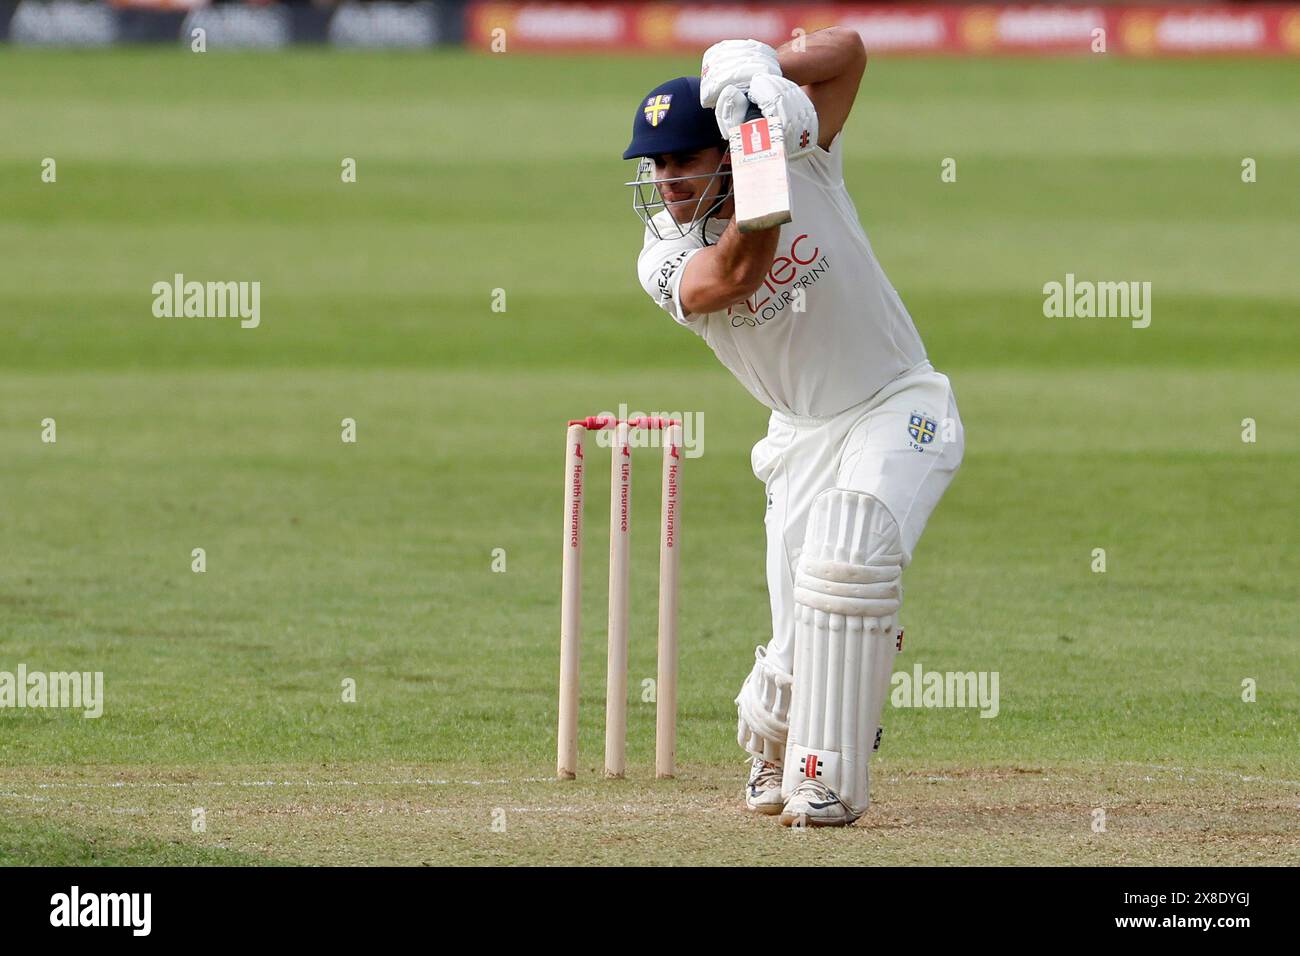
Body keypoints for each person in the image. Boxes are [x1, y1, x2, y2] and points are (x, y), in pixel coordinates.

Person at [623, 28, 965, 826]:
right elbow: (739, 272)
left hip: (899, 400)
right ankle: (771, 744)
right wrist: (758, 162)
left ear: (723, 150)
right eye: (657, 166)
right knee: (802, 634)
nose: (668, 182)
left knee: (849, 566)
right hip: (800, 437)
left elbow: (848, 53)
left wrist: (764, 72)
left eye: (684, 160)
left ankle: (829, 779)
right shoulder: (660, 258)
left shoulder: (798, 148)